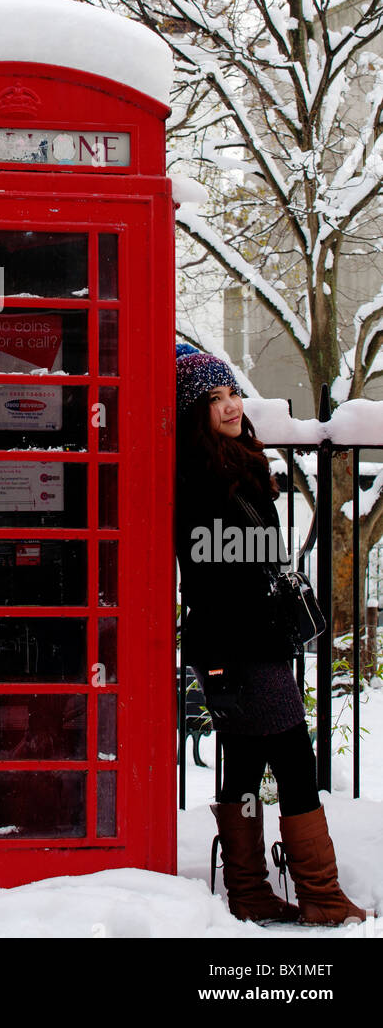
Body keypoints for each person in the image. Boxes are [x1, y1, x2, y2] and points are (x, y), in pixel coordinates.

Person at [175, 348, 366, 926]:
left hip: (254, 641)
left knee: (246, 759)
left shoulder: (240, 460)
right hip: (238, 645)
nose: (231, 404)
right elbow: (209, 574)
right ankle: (321, 895)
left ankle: (252, 891)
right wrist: (227, 661)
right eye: (214, 400)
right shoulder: (201, 478)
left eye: (230, 392)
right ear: (193, 413)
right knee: (292, 760)